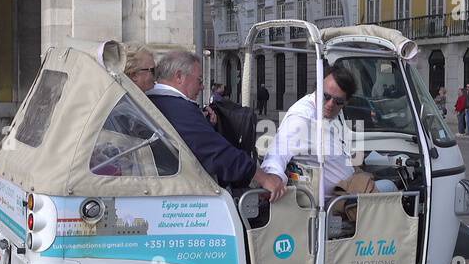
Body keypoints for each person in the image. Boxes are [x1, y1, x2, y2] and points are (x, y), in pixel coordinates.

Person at [147, 50, 284, 198]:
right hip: (186, 197)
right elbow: (216, 152)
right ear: (179, 76)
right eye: (199, 80)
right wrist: (263, 177)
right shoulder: (176, 107)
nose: (202, 87)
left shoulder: (154, 101)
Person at [261, 62, 397, 201]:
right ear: (317, 89)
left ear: (346, 103)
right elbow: (277, 152)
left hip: (345, 188)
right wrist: (273, 176)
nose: (330, 104)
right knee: (390, 186)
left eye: (338, 101)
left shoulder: (326, 114)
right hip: (335, 200)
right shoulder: (302, 117)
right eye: (326, 96)